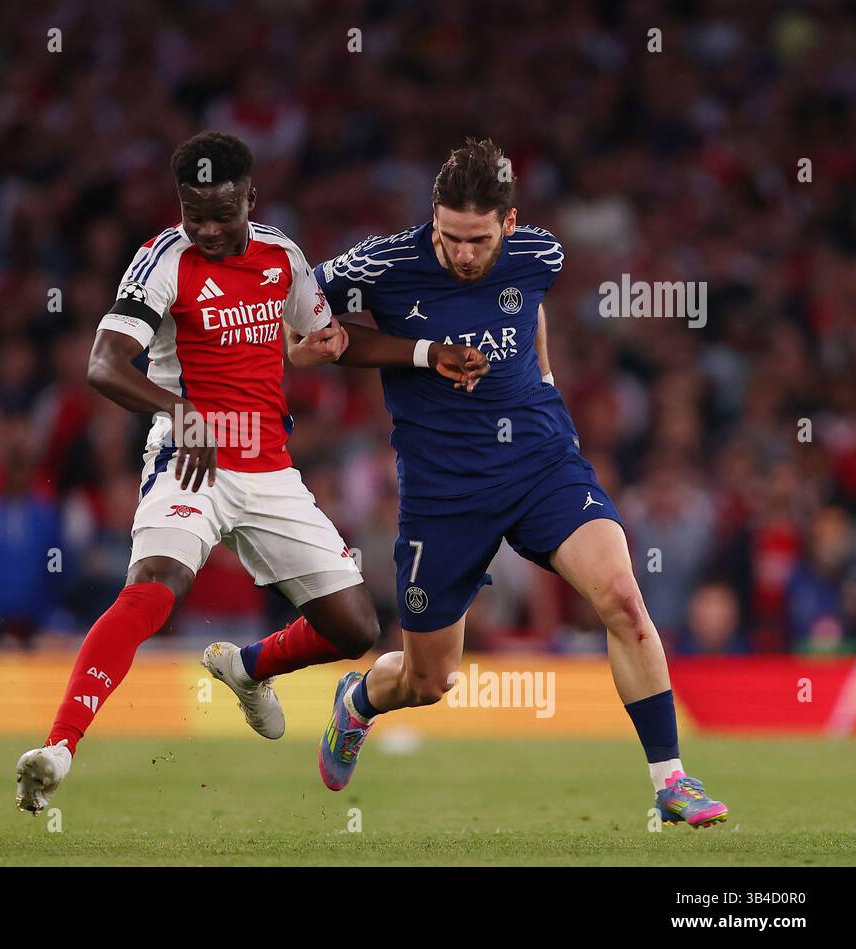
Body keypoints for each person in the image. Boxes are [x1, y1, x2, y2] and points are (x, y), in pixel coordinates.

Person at [13, 131, 484, 813]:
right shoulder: (160, 260)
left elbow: (326, 342)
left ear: (251, 200)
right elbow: (105, 364)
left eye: (220, 214)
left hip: (268, 468)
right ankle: (58, 749)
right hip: (190, 463)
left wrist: (423, 353)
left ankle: (248, 668)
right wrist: (180, 414)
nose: (205, 229)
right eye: (192, 213)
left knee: (354, 629)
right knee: (154, 585)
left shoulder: (282, 256)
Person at [311, 139, 729, 828]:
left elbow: (527, 305)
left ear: (508, 223)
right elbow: (307, 333)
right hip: (445, 493)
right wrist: (420, 352)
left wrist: (545, 378)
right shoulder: (380, 264)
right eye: (449, 237)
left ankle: (672, 779)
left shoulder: (541, 253)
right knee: (429, 680)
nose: (464, 255)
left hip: (540, 463)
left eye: (478, 240)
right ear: (432, 218)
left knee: (622, 598)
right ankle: (359, 701)